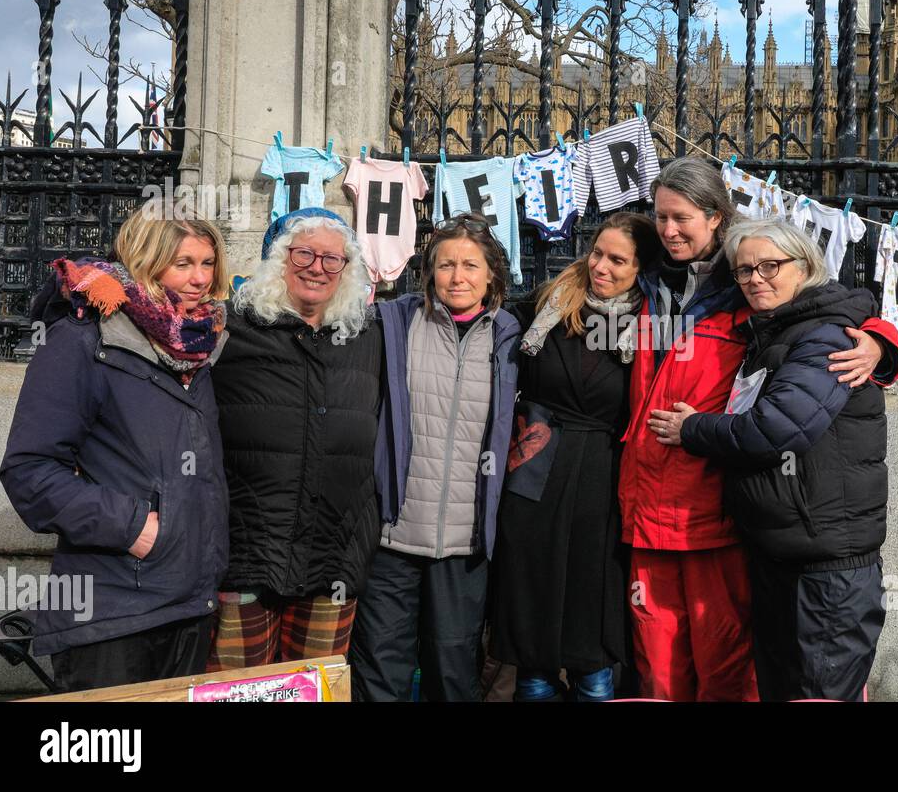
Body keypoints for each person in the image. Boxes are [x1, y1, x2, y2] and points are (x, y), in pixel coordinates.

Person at [619, 156, 898, 701]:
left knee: (741, 673)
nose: (669, 229)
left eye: (682, 217)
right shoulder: (647, 283)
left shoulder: (753, 298)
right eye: (660, 217)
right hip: (667, 517)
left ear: (717, 218)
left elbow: (844, 315)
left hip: (728, 521)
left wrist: (882, 342)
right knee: (664, 671)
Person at [0, 200, 230, 692]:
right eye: (183, 263)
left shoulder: (197, 347)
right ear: (145, 261)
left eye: (207, 263)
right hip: (110, 610)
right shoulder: (82, 339)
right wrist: (134, 526)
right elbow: (29, 469)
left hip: (189, 605)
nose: (199, 279)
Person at [490, 212, 662, 702]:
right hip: (534, 479)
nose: (599, 266)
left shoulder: (650, 325)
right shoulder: (551, 302)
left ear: (641, 270)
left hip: (602, 486)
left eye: (617, 260)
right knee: (534, 652)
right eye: (597, 252)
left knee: (592, 649)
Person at [351, 212, 521, 702]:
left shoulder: (512, 337)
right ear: (429, 272)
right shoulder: (394, 321)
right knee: (381, 670)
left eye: (470, 265)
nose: (457, 277)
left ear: (491, 274)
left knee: (452, 673)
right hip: (393, 536)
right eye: (446, 265)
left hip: (465, 545)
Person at [206, 208, 382, 671]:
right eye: (303, 253)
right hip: (243, 554)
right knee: (235, 693)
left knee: (317, 690)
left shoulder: (368, 337)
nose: (317, 267)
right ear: (277, 259)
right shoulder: (228, 328)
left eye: (332, 259)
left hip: (333, 557)